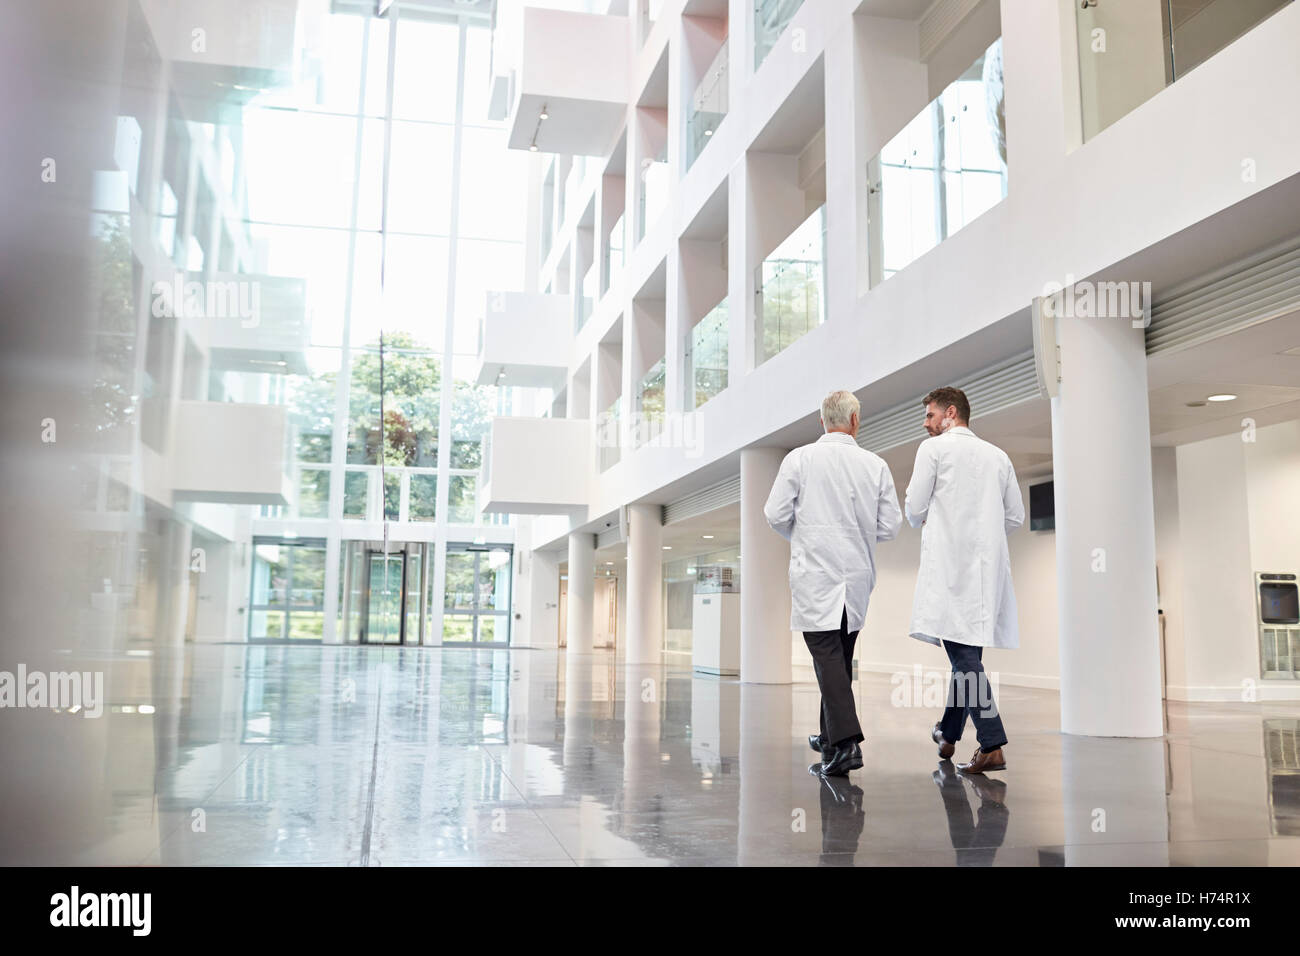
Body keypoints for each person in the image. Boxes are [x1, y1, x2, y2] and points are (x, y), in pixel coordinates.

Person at [765, 390, 902, 776]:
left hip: (815, 576)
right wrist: (857, 533)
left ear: (821, 421)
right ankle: (829, 739)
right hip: (856, 579)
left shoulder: (800, 459)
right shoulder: (875, 465)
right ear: (856, 421)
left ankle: (845, 745)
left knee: (828, 660)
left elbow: (775, 514)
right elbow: (889, 526)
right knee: (838, 660)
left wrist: (805, 534)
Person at [905, 386, 1023, 774]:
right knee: (967, 659)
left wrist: (929, 518)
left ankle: (991, 743)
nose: (926, 424)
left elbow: (914, 508)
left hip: (949, 569)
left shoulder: (934, 451)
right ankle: (948, 731)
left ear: (950, 413)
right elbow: (1015, 517)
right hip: (986, 574)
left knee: (963, 657)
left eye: (929, 415)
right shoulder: (998, 456)